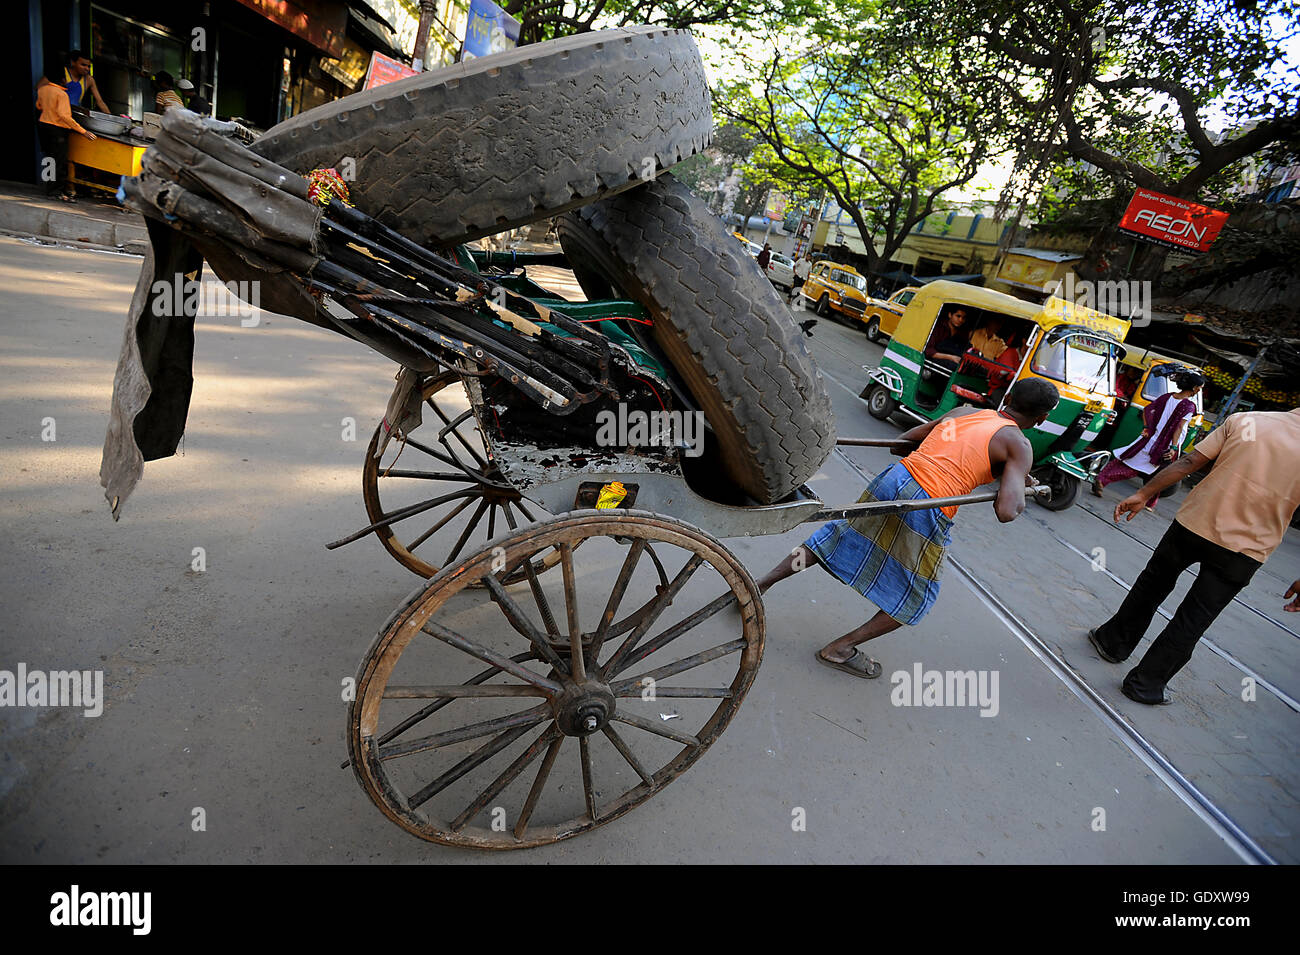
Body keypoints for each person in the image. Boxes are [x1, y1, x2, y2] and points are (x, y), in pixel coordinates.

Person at [756, 378, 1060, 678]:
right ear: (1043, 417)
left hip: (896, 478)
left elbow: (905, 442)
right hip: (929, 503)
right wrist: (1020, 482)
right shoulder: (1019, 445)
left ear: (1007, 398)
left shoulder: (965, 413)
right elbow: (1007, 511)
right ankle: (841, 648)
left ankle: (760, 584)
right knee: (917, 596)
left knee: (834, 539)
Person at [1088, 408, 1300, 705]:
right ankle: (1145, 685)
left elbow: (1190, 461)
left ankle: (1112, 642)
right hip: (1246, 550)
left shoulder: (1249, 420)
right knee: (1193, 619)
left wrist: (1144, 493)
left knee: (1152, 585)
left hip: (1194, 525)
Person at [1092, 370, 1204, 507]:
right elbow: (1179, 428)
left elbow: (1147, 409)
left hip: (1149, 438)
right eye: (1200, 387)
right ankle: (1103, 480)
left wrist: (1147, 427)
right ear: (1194, 388)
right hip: (1164, 446)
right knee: (1143, 470)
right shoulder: (1189, 406)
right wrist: (1174, 447)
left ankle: (1149, 501)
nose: (1199, 390)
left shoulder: (1167, 397)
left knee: (1137, 463)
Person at [35, 72, 96, 202]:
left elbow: (38, 106)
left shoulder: (42, 89)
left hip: (43, 125)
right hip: (57, 129)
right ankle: (56, 191)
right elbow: (64, 116)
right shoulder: (62, 94)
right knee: (59, 160)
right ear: (63, 81)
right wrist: (83, 131)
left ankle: (49, 189)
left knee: (49, 158)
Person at [924, 306, 971, 370]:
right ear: (950, 315)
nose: (961, 320)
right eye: (958, 316)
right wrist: (951, 357)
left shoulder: (963, 334)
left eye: (963, 318)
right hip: (932, 365)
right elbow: (928, 351)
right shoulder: (938, 328)